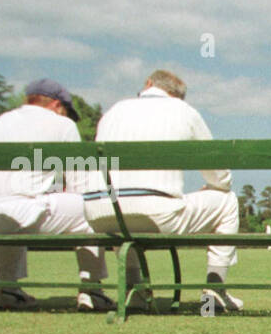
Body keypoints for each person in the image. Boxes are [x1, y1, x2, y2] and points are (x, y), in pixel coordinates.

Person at [82, 70, 244, 311]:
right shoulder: (184, 112)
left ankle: (135, 292)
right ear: (179, 96)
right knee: (227, 200)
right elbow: (218, 173)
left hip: (99, 212)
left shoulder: (113, 111)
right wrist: (214, 188)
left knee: (121, 213)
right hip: (156, 213)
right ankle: (214, 291)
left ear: (148, 84)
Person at [0, 78, 111, 311]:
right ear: (56, 105)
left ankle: (5, 289)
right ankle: (92, 290)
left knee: (12, 208)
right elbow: (82, 185)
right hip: (12, 213)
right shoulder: (62, 124)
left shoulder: (1, 121)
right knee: (92, 209)